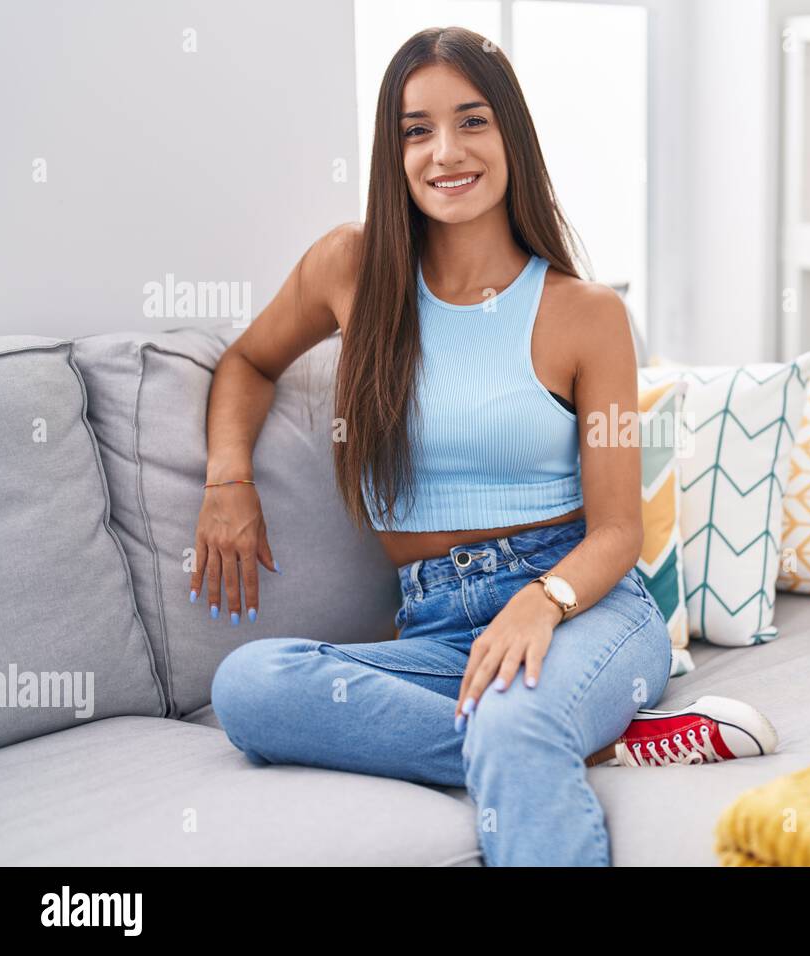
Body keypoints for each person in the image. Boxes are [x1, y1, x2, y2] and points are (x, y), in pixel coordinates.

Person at [197, 26, 776, 866]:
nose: (445, 152)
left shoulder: (586, 314)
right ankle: (597, 744)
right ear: (392, 152)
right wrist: (227, 479)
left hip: (583, 606)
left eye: (471, 121)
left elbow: (620, 530)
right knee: (249, 689)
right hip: (437, 627)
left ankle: (533, 733)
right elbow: (248, 362)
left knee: (514, 716)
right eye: (417, 129)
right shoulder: (347, 268)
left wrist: (543, 599)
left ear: (511, 135)